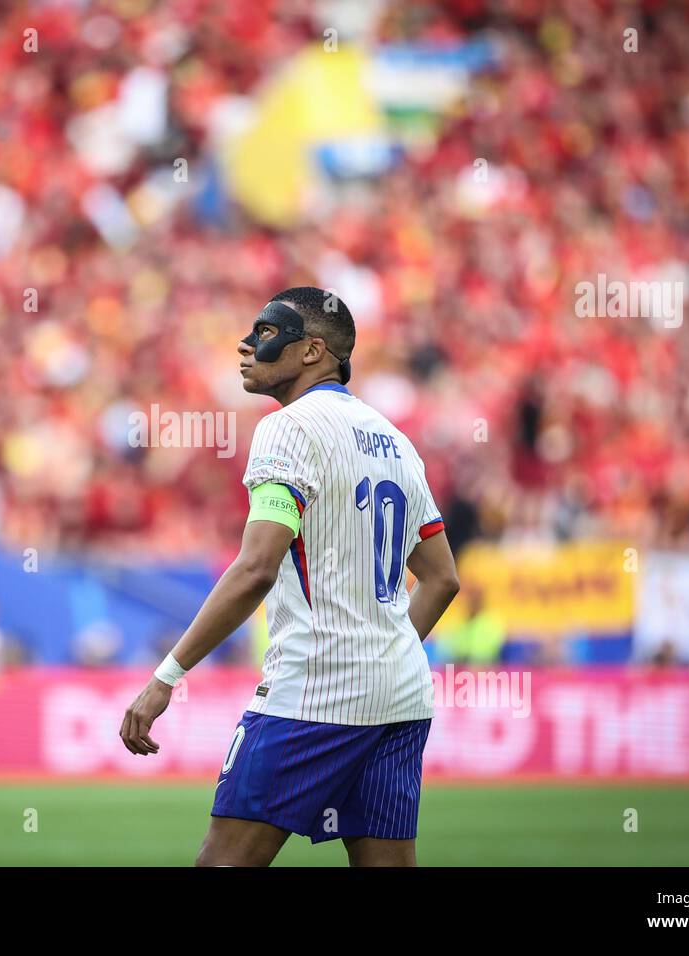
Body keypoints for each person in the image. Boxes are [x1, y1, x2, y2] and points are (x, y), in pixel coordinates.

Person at [120, 288, 460, 867]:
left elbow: (255, 569)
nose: (247, 344)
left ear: (313, 352)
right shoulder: (396, 442)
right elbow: (442, 578)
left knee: (223, 863)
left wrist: (165, 677)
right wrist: (387, 648)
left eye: (267, 331)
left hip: (314, 692)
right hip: (401, 694)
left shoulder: (289, 430)